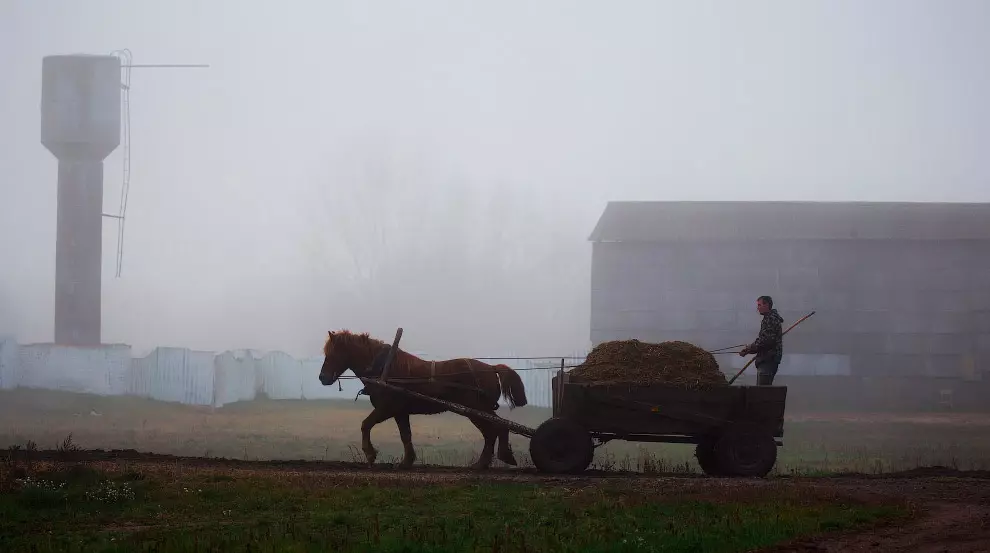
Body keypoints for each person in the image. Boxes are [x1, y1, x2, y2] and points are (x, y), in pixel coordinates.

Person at [739, 295, 784, 385]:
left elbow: (766, 341)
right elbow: (763, 339)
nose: (758, 308)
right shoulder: (768, 318)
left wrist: (749, 348)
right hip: (766, 359)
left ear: (767, 305)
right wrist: (749, 350)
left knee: (762, 393)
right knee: (762, 392)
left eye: (759, 305)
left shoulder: (771, 319)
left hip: (768, 360)